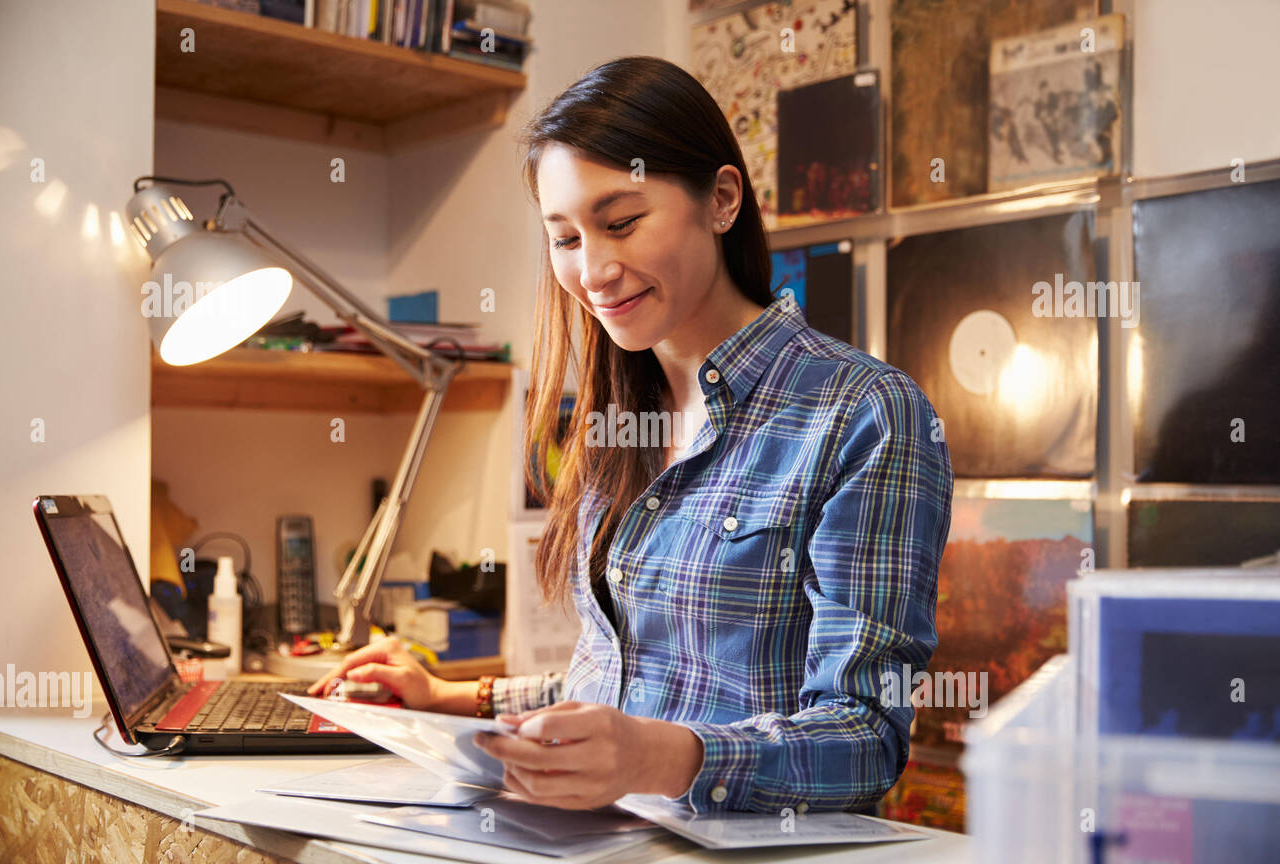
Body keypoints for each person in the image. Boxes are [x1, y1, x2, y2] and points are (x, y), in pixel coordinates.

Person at [309, 55, 953, 815]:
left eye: (620, 223)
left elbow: (866, 735)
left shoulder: (864, 414)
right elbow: (632, 678)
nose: (594, 270)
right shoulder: (620, 414)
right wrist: (452, 697)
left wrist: (657, 757)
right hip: (603, 841)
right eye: (566, 238)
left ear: (720, 200)